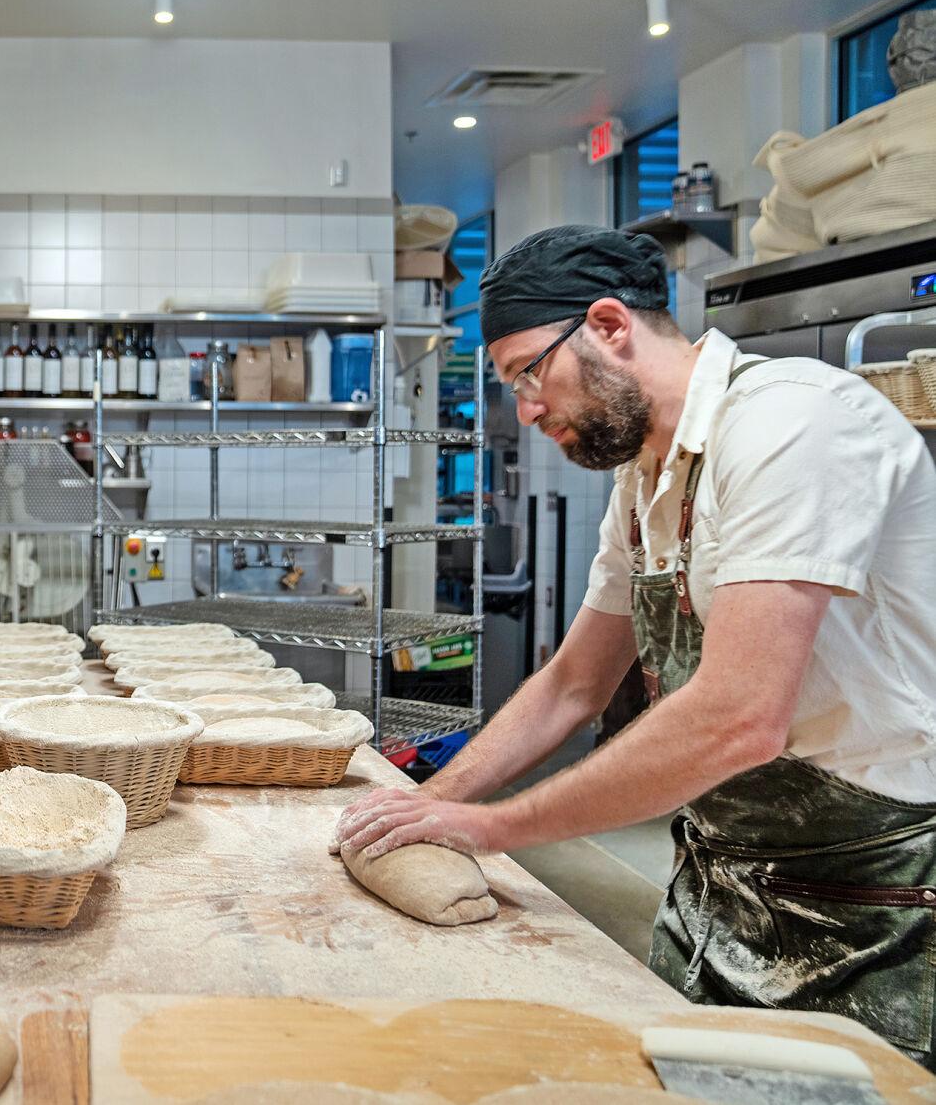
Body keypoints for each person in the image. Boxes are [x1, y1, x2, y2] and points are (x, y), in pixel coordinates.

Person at [335, 225, 936, 1065]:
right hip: (716, 886)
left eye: (527, 373)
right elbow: (575, 683)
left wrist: (490, 825)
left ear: (610, 326)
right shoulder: (646, 476)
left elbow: (740, 716)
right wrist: (433, 807)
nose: (527, 409)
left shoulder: (794, 425)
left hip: (877, 905)